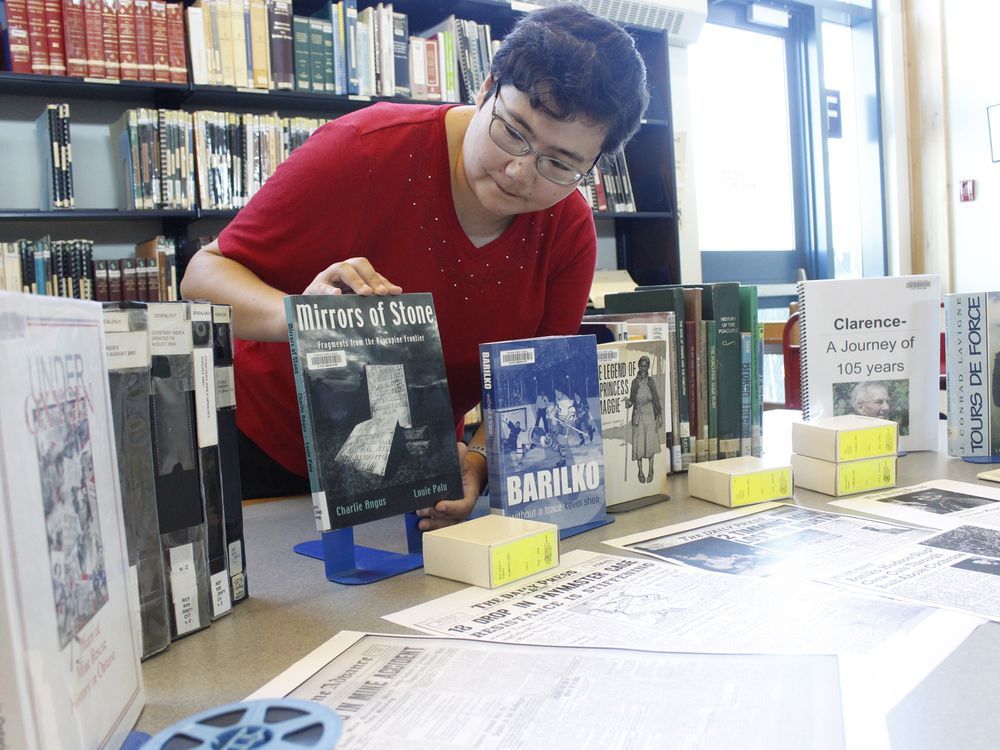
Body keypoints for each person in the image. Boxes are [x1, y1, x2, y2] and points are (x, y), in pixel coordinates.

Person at [179, 5, 649, 531]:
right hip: (263, 459)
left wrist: (476, 461)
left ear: (592, 165)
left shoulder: (568, 229)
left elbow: (531, 382)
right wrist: (301, 316)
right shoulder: (362, 152)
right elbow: (200, 279)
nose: (520, 171)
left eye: (559, 164)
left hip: (409, 473)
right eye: (512, 131)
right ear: (486, 88)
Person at [625, 355, 663, 483]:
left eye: (645, 366)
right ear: (638, 366)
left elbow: (656, 399)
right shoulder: (634, 382)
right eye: (641, 365)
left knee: (650, 442)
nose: (643, 368)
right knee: (639, 443)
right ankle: (640, 471)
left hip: (650, 414)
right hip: (638, 414)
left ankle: (651, 470)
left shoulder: (651, 381)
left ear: (647, 367)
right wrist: (628, 403)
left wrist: (660, 415)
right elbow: (631, 399)